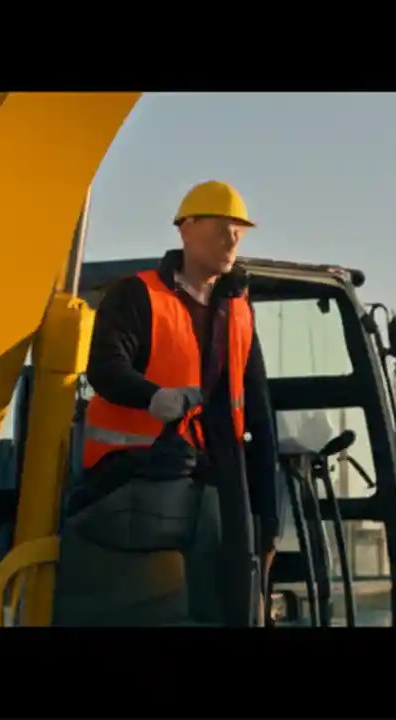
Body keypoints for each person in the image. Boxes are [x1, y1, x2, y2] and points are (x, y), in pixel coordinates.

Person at [52, 180, 280, 627]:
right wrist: (153, 396)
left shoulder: (238, 312)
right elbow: (105, 366)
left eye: (239, 230)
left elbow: (259, 410)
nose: (231, 238)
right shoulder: (137, 296)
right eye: (221, 227)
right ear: (186, 229)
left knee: (230, 586)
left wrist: (268, 518)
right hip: (134, 478)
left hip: (215, 478)